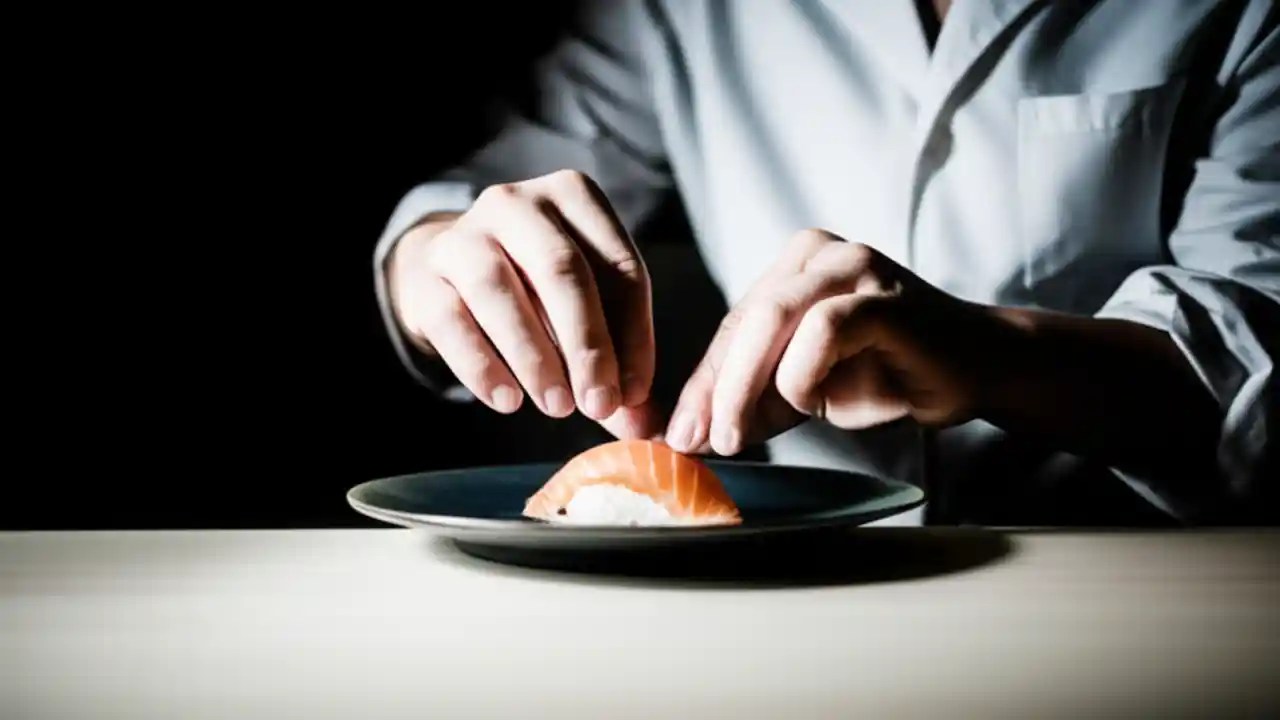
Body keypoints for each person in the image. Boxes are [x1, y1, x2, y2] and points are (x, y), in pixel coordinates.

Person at [373, 0, 1278, 525]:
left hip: (1134, 559)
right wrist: (439, 262)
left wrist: (994, 353)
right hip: (788, 576)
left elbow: (1259, 340)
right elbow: (487, 178)